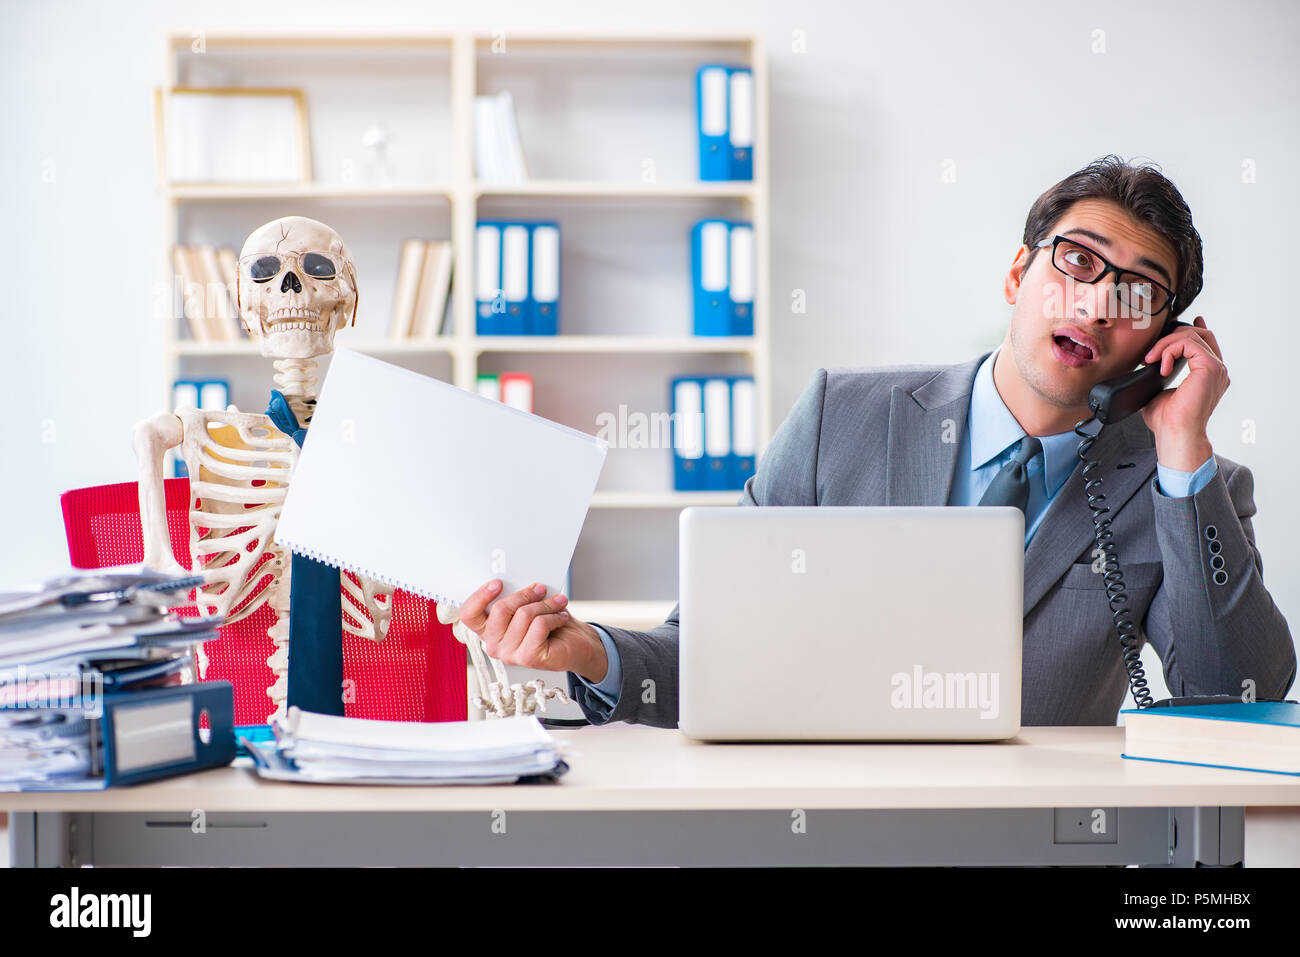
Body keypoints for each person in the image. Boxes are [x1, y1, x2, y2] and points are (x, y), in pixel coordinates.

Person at [456, 155, 1296, 727]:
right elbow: (708, 650)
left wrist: (1183, 455)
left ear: (1165, 339)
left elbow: (1235, 696)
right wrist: (592, 651)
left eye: (1138, 292)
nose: (1097, 305)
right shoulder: (840, 419)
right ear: (1018, 275)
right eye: (1077, 262)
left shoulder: (1187, 488)